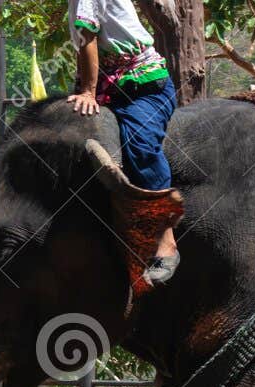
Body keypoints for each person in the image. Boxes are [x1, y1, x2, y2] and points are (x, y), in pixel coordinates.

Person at [66, 0, 179, 285]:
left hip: (144, 89)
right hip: (113, 89)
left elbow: (88, 36)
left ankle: (166, 242)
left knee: (140, 149)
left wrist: (88, 92)